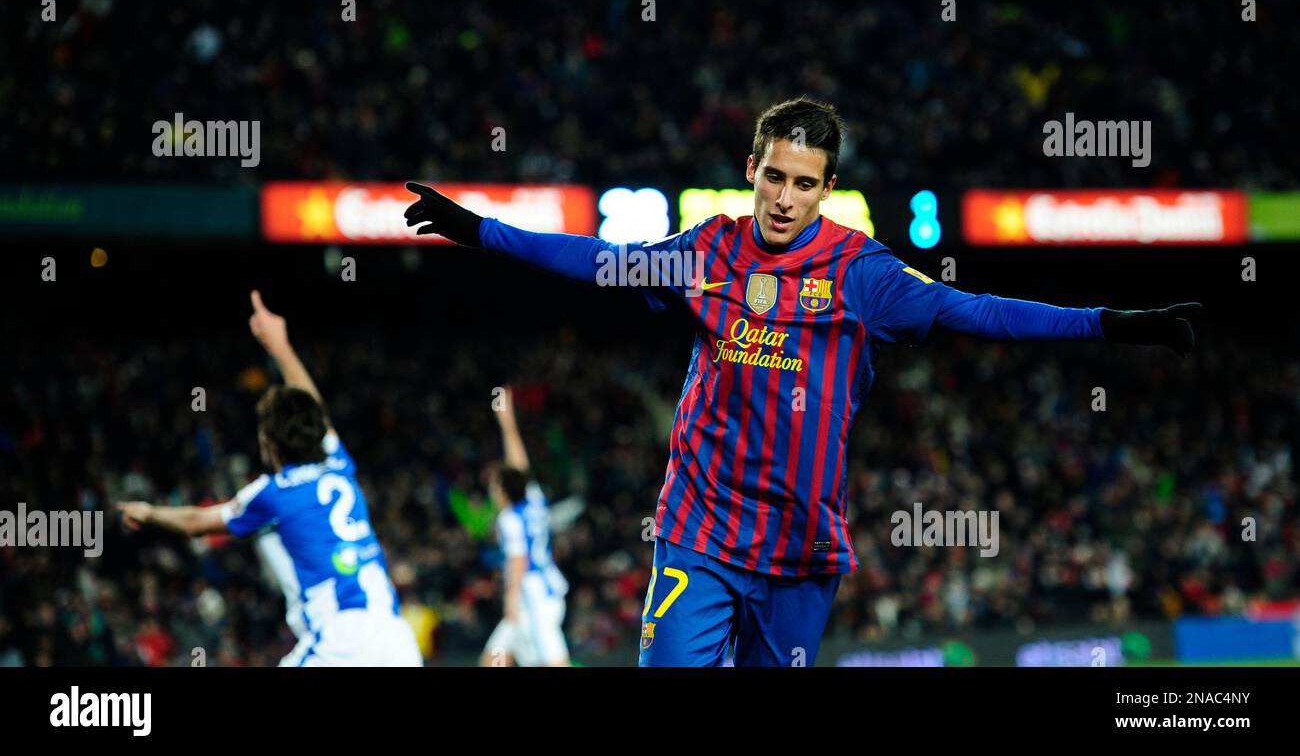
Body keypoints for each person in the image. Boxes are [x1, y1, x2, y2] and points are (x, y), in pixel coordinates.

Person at [404, 96, 1200, 667]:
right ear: (752, 168)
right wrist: (481, 231)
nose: (784, 198)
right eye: (774, 176)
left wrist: (1109, 322)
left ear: (827, 188)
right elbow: (593, 261)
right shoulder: (708, 251)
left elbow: (980, 312)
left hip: (800, 552)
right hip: (700, 534)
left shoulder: (863, 274)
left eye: (805, 183)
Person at [118, 291, 422, 667]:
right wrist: (281, 346)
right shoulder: (338, 464)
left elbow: (197, 523)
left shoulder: (273, 493)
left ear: (268, 443)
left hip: (341, 641)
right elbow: (315, 411)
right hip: (396, 637)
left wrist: (149, 513)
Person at [479, 386, 570, 667]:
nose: (492, 491)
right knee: (494, 659)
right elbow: (519, 466)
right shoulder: (533, 498)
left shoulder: (510, 518)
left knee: (554, 662)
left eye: (495, 487)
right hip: (542, 589)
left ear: (505, 491)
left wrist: (511, 599)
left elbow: (519, 559)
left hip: (532, 598)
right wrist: (507, 422)